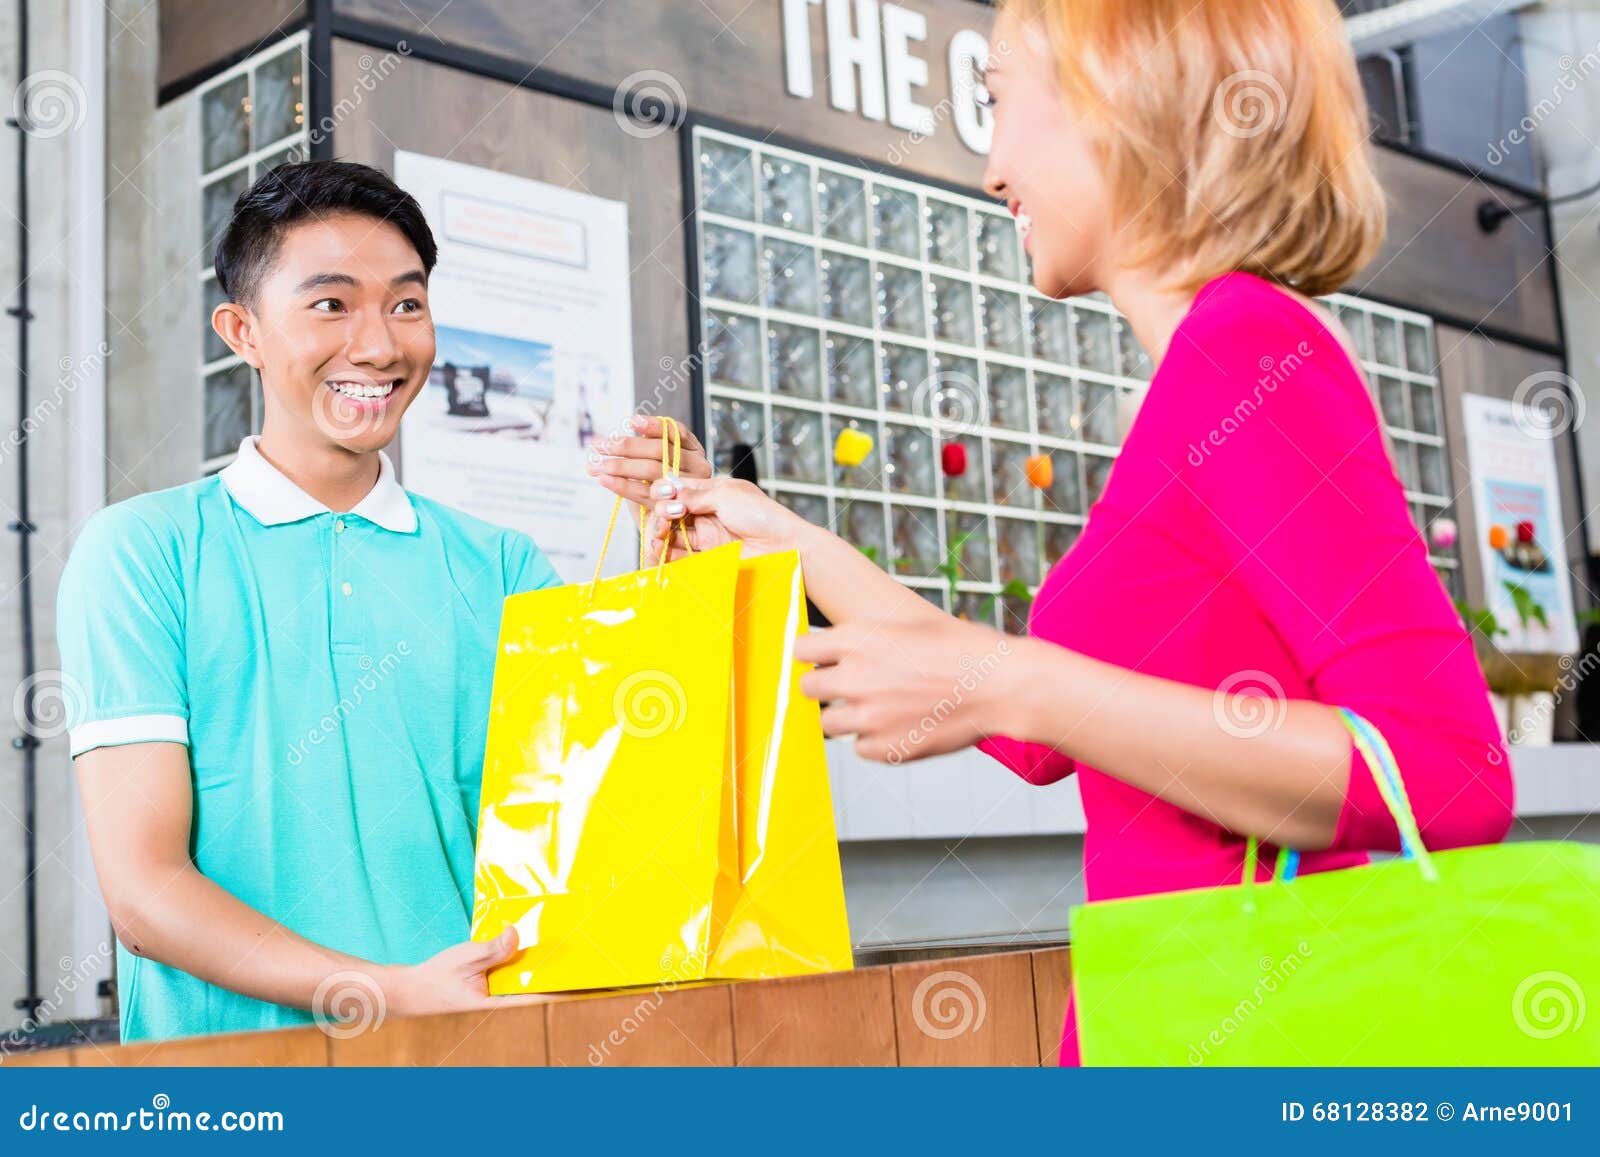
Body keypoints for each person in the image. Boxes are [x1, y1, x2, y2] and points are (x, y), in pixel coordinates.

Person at [593, 0, 1515, 1064]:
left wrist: (1016, 680)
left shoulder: (1246, 349)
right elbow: (1037, 730)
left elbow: (1445, 774)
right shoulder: (1195, 381)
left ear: (1121, 103)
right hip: (1167, 1024)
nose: (990, 171)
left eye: (996, 102)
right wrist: (768, 532)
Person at [57, 161, 712, 1041]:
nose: (378, 345)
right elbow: (146, 891)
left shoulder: (504, 566)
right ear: (242, 331)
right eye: (330, 305)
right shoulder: (144, 553)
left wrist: (681, 567)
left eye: (406, 305)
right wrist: (386, 991)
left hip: (477, 1064)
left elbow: (603, 824)